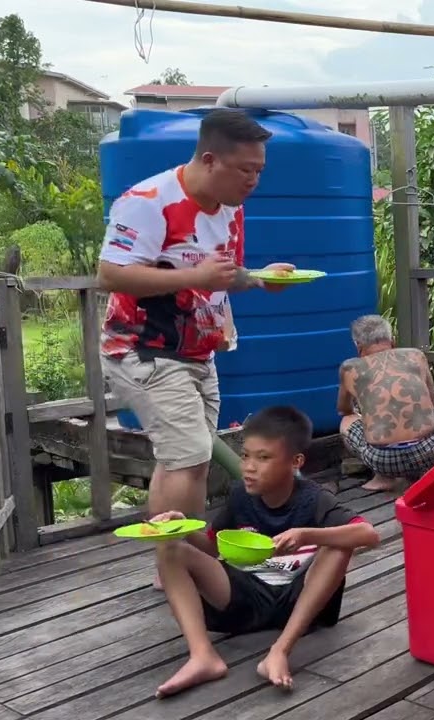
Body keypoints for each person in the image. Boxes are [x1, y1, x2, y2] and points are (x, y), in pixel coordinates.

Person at [97, 109, 295, 588]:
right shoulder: (147, 201)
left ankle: (174, 563)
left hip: (198, 351)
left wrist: (259, 280)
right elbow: (111, 273)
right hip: (142, 348)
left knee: (188, 459)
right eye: (245, 169)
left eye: (260, 171)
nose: (254, 180)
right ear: (209, 159)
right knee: (187, 455)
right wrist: (195, 277)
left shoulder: (230, 207)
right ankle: (181, 566)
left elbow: (222, 277)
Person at [148, 405, 381, 698]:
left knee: (338, 546)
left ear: (295, 461)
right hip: (244, 599)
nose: (249, 466)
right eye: (245, 456)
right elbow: (213, 548)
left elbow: (368, 535)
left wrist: (307, 534)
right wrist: (183, 530)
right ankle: (202, 656)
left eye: (264, 458)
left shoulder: (314, 498)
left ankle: (279, 651)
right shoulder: (240, 497)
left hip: (298, 602)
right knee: (170, 550)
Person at [337, 314, 434, 492]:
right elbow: (431, 402)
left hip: (382, 460)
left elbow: (343, 409)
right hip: (429, 450)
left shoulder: (349, 368)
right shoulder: (415, 355)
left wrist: (365, 412)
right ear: (392, 340)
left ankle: (383, 478)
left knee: (347, 419)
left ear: (359, 347)